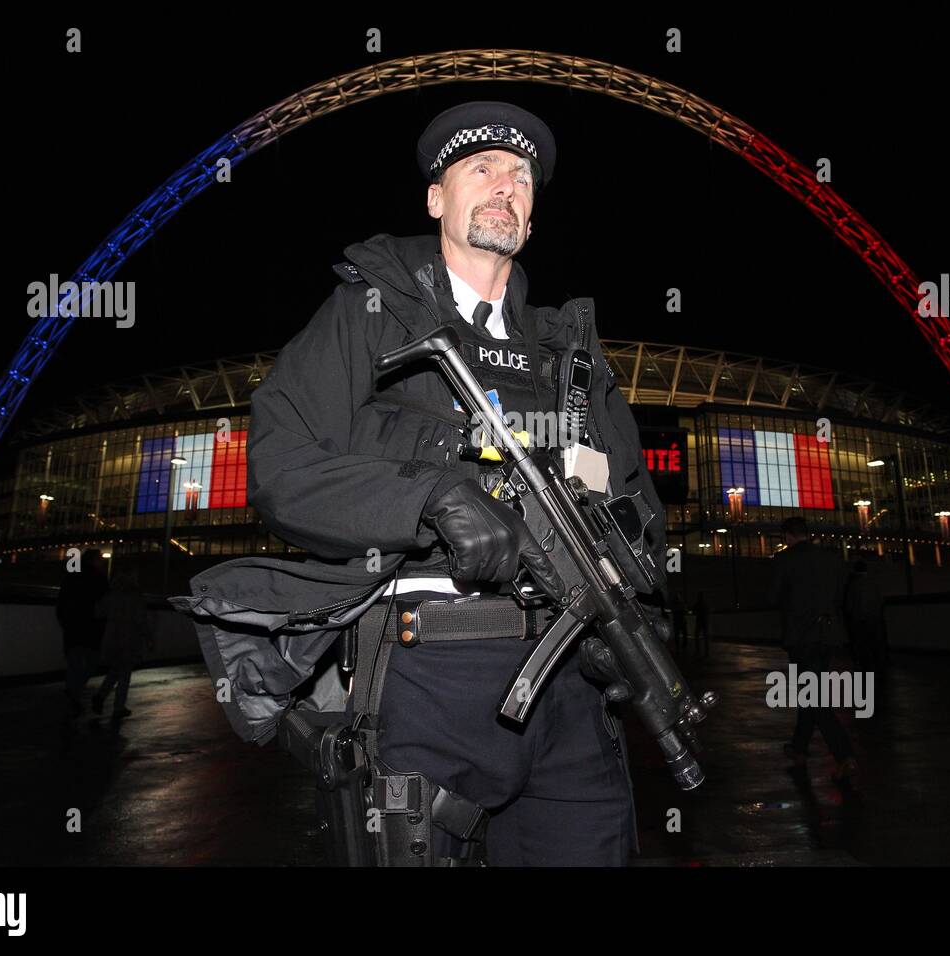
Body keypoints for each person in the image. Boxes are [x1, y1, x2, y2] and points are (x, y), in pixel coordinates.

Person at [245, 101, 669, 866]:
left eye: (521, 176)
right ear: (436, 198)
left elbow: (635, 498)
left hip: (570, 683)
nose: (505, 184)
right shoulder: (369, 313)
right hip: (431, 671)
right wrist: (428, 497)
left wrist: (639, 606)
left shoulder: (569, 357)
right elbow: (279, 465)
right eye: (481, 168)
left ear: (533, 214)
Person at [768, 517, 858, 781]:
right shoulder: (830, 559)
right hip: (828, 635)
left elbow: (772, 597)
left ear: (788, 535)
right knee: (812, 692)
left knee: (814, 697)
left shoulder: (784, 560)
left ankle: (844, 755)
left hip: (802, 636)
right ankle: (798, 748)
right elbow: (842, 595)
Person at [91, 569, 153, 719]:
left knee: (116, 670)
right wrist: (148, 637)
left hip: (112, 638)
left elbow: (98, 612)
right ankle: (118, 706)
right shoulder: (135, 597)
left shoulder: (111, 595)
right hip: (129, 639)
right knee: (124, 673)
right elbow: (141, 620)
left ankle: (101, 696)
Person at [55, 549, 108, 716]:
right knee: (90, 664)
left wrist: (66, 622)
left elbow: (61, 604)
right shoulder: (100, 580)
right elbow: (103, 606)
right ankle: (74, 694)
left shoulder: (71, 578)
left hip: (73, 629)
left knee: (75, 663)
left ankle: (72, 694)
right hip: (91, 631)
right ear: (94, 561)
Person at [844, 558, 887, 669]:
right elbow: (880, 600)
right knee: (876, 643)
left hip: (860, 619)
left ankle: (866, 666)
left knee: (863, 644)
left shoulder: (854, 584)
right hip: (875, 618)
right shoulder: (874, 583)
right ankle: (879, 665)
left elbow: (849, 604)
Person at [692, 592, 711, 659]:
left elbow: (693, 611)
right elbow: (708, 611)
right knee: (706, 637)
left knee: (697, 636)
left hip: (699, 621)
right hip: (705, 622)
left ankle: (698, 651)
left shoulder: (697, 604)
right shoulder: (705, 604)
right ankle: (706, 652)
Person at [670, 591, 688, 655]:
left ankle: (680, 648)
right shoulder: (681, 604)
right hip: (681, 622)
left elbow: (673, 610)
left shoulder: (675, 605)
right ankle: (682, 648)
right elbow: (685, 611)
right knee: (683, 635)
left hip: (678, 622)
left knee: (678, 635)